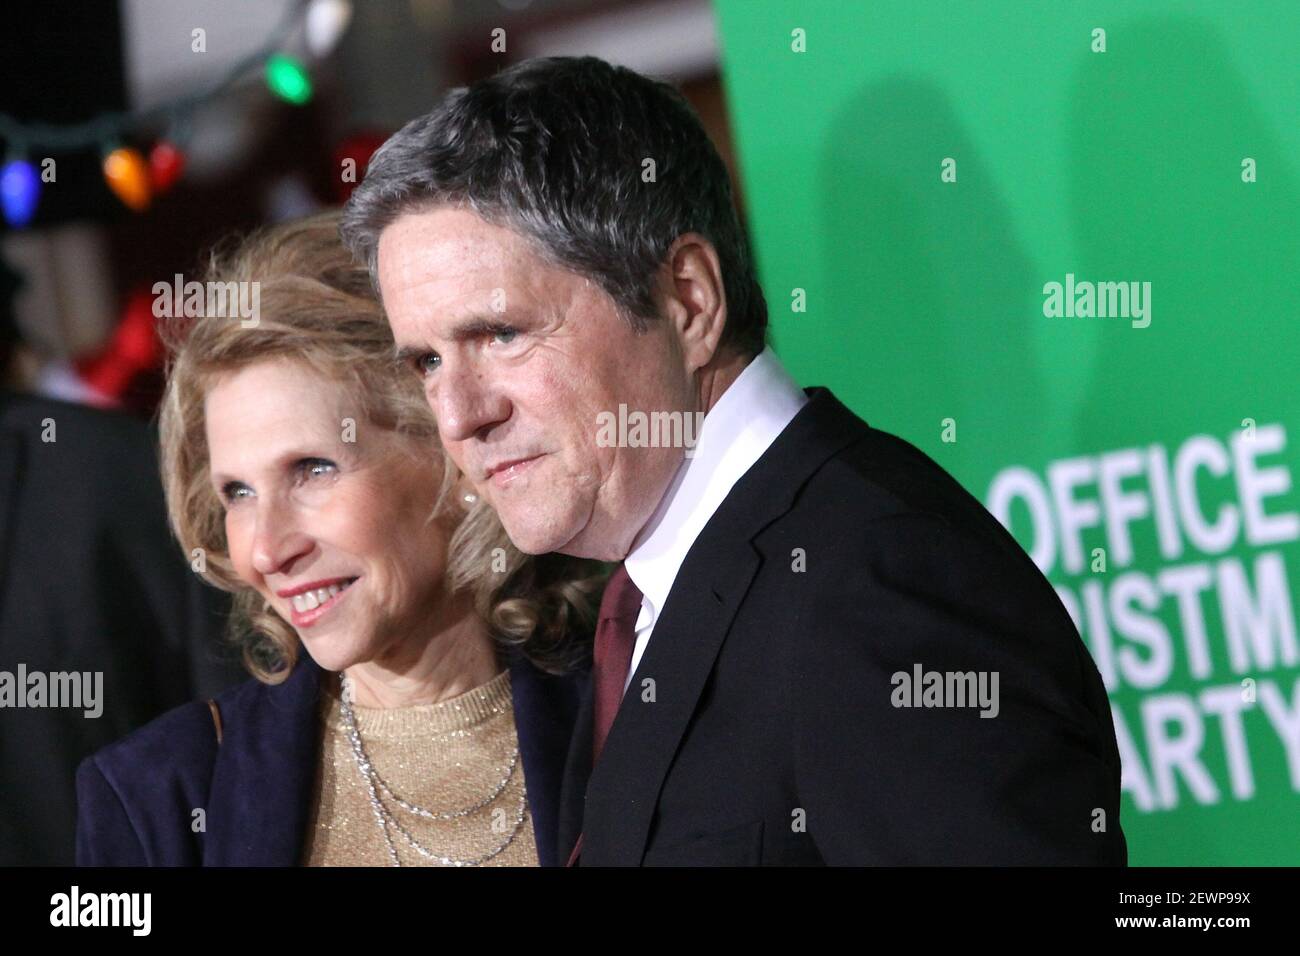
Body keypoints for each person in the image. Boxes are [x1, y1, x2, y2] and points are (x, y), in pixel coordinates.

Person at [340, 55, 1128, 865]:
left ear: (688, 300)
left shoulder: (880, 581)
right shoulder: (636, 603)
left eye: (500, 335)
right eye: (426, 363)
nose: (461, 415)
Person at [74, 212, 599, 866]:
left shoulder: (637, 711)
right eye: (238, 493)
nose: (266, 550)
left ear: (454, 451)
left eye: (312, 470)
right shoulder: (158, 799)